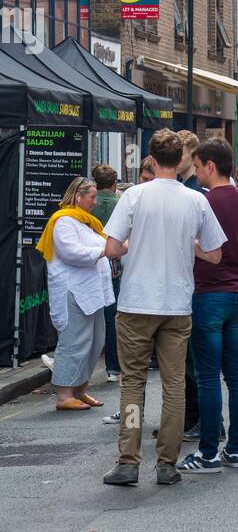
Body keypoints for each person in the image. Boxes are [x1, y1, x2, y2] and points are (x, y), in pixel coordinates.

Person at [101, 129, 226, 487]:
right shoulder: (196, 200)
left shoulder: (135, 196)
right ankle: (167, 463)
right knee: (174, 386)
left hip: (136, 302)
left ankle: (128, 460)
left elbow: (111, 249)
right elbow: (216, 253)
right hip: (176, 302)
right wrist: (190, 246)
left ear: (152, 159)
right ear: (181, 159)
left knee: (133, 385)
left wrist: (132, 243)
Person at [178, 136, 238, 473]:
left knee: (207, 378)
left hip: (208, 295)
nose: (196, 172)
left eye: (197, 166)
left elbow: (199, 246)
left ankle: (207, 453)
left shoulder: (204, 202)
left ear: (209, 165)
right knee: (236, 375)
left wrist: (190, 245)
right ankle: (235, 450)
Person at [36, 176, 114, 412]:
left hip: (91, 292)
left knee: (95, 341)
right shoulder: (63, 221)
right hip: (73, 291)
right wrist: (104, 250)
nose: (94, 202)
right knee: (75, 341)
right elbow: (72, 252)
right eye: (91, 197)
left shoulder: (86, 221)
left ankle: (80, 388)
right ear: (78, 197)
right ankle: (64, 394)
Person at [92, 163, 122, 381]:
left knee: (89, 315)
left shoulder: (88, 203)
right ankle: (113, 367)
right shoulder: (119, 203)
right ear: (114, 183)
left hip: (88, 263)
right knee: (112, 317)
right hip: (111, 263)